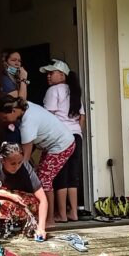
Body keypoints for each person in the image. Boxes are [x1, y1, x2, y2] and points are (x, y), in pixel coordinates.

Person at [0, 95, 74, 228]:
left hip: (61, 145)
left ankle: (49, 220)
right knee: (41, 177)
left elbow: (24, 159)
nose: (4, 121)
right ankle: (45, 216)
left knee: (43, 180)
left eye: (4, 117)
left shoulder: (28, 123)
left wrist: (16, 174)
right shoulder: (23, 107)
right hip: (53, 145)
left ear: (13, 111)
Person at [0, 142, 48, 240]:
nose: (17, 166)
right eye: (13, 163)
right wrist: (9, 196)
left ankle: (22, 225)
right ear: (3, 160)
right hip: (0, 199)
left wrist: (41, 228)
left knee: (31, 203)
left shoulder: (26, 168)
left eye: (20, 162)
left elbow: (43, 200)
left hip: (19, 202)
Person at [40, 59, 85, 222]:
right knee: (73, 176)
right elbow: (82, 117)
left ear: (62, 75)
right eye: (47, 74)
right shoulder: (74, 91)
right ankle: (74, 212)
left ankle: (62, 214)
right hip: (76, 136)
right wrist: (77, 132)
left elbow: (49, 117)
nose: (48, 76)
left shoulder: (53, 90)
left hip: (60, 138)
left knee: (60, 176)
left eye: (51, 73)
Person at [0, 49, 30, 144]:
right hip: (11, 122)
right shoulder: (6, 79)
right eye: (13, 60)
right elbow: (21, 102)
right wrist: (23, 79)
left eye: (19, 61)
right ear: (5, 62)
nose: (17, 63)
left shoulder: (14, 79)